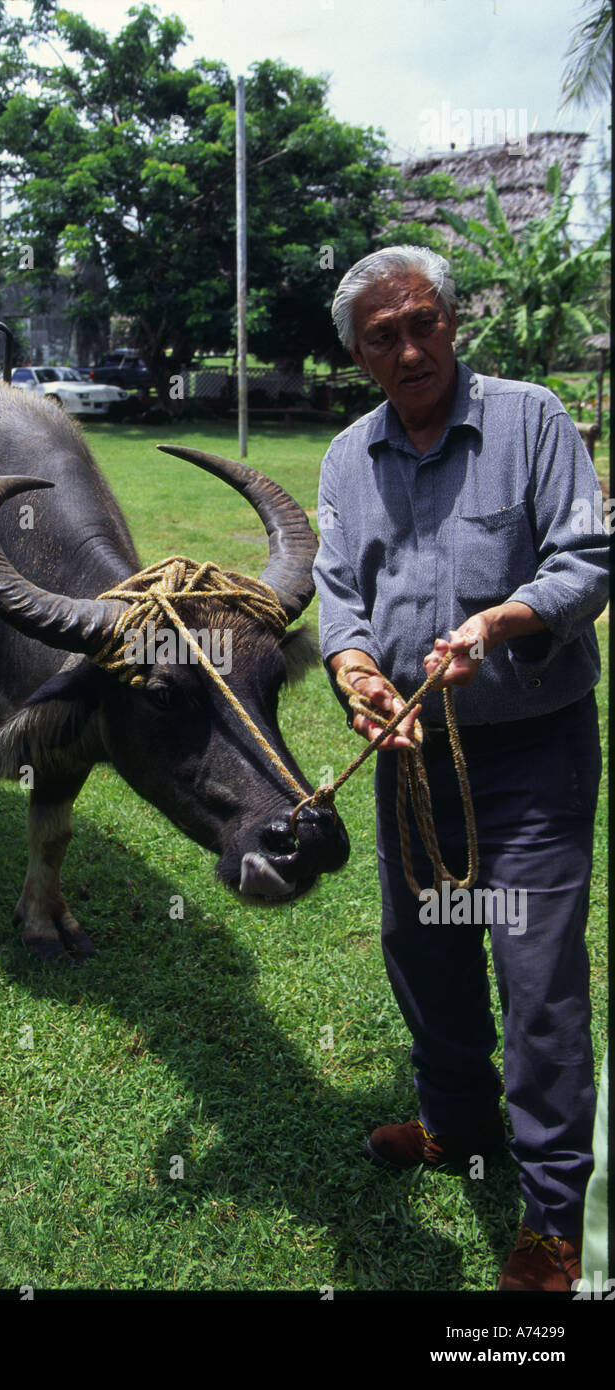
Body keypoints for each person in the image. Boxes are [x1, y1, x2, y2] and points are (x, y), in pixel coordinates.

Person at [313, 245, 608, 1292]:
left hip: (532, 747)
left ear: (452, 321)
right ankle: (454, 1121)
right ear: (359, 354)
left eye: (422, 322)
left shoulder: (531, 421)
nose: (408, 347)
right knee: (425, 951)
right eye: (382, 336)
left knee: (536, 982)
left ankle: (553, 1212)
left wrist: (502, 620)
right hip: (413, 757)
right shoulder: (349, 457)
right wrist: (355, 669)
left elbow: (587, 558)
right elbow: (337, 585)